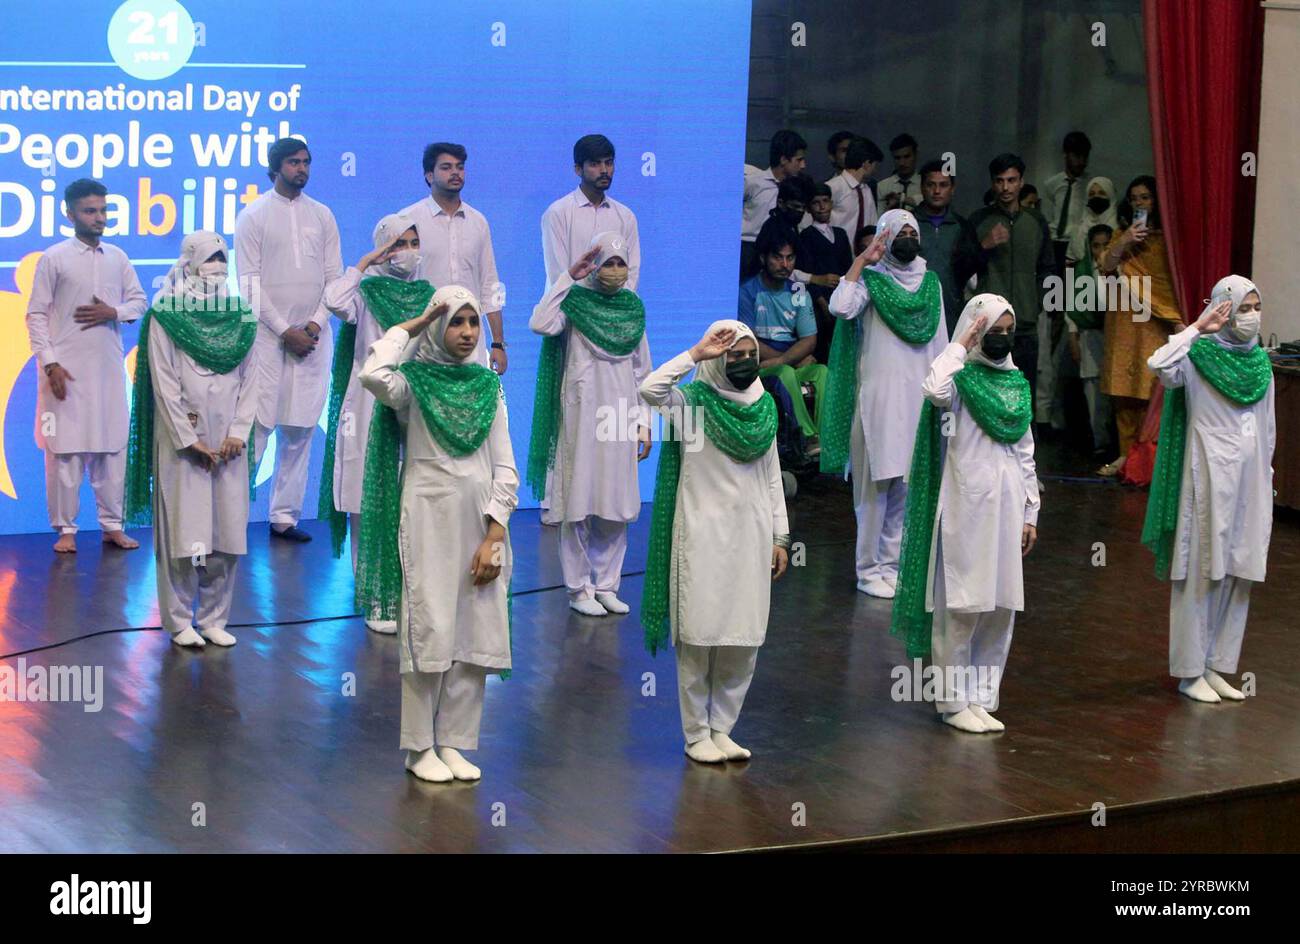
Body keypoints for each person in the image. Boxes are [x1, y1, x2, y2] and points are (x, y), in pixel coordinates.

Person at [357, 285, 516, 783]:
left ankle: (454, 742)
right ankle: (419, 746)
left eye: (474, 322)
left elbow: (505, 467)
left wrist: (495, 535)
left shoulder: (488, 386)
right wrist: (413, 325)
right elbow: (371, 373)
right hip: (426, 515)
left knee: (475, 629)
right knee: (429, 627)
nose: (469, 333)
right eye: (456, 322)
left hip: (481, 521)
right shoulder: (412, 384)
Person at [639, 321, 789, 763]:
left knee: (743, 637)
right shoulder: (693, 405)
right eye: (733, 355)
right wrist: (695, 353)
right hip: (701, 536)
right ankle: (696, 734)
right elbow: (649, 390)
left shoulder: (763, 405)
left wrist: (781, 535)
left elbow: (773, 476)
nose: (743, 362)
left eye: (749, 354)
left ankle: (723, 727)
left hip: (753, 537)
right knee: (699, 637)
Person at [891, 294, 1039, 734]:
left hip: (1009, 508)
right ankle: (953, 703)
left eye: (1009, 330)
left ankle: (981, 697)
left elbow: (1026, 452)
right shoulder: (959, 380)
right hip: (965, 508)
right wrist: (961, 345)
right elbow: (932, 389)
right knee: (961, 606)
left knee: (1000, 606)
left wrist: (1032, 510)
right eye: (993, 331)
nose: (1003, 339)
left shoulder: (1016, 382)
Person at [123, 231, 259, 648]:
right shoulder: (166, 315)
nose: (217, 268)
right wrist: (188, 438)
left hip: (230, 446)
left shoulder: (242, 315)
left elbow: (253, 381)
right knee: (185, 535)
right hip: (185, 445)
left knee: (227, 534)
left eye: (222, 260)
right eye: (209, 260)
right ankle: (180, 619)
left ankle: (216, 618)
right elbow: (163, 383)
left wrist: (239, 432)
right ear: (189, 264)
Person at [1142, 278, 1273, 704]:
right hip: (1207, 477)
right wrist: (1197, 328)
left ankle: (1218, 664)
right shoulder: (1196, 358)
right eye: (1244, 307)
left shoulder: (1260, 365)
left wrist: (1266, 477)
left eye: (1256, 305)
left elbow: (1267, 428)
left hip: (1250, 481)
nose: (1252, 314)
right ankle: (1189, 670)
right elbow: (1158, 365)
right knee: (1202, 571)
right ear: (1223, 310)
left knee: (1239, 571)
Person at [823, 209, 949, 597]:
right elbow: (840, 307)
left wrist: (944, 393)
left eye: (914, 231)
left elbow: (941, 343)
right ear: (885, 238)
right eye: (900, 232)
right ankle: (867, 570)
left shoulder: (930, 283)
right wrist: (862, 261)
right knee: (875, 488)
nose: (909, 238)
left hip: (917, 399)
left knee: (906, 487)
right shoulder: (870, 283)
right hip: (877, 400)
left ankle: (891, 566)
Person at [320, 212, 434, 634]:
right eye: (397, 244)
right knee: (366, 498)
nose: (406, 252)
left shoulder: (429, 295)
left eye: (412, 242)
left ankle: (406, 592)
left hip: (413, 403)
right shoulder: (364, 294)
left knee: (409, 499)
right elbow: (333, 298)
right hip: (367, 404)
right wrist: (365, 263)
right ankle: (372, 594)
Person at [528, 232, 652, 616]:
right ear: (595, 266)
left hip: (619, 416)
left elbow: (642, 372)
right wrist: (568, 277)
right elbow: (540, 322)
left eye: (621, 263)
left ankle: (607, 584)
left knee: (616, 501)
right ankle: (579, 589)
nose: (615, 271)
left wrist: (644, 424)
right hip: (580, 417)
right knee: (578, 503)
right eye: (608, 263)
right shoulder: (574, 303)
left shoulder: (632, 308)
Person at [25, 178, 147, 553]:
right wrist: (50, 364)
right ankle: (66, 530)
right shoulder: (55, 258)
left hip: (108, 371)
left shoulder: (117, 257)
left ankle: (113, 525)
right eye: (90, 211)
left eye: (103, 211)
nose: (99, 218)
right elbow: (35, 316)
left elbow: (140, 302)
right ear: (70, 214)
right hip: (64, 373)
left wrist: (114, 312)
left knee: (112, 449)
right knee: (65, 452)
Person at [235, 136, 344, 543]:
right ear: (276, 168)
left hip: (314, 338)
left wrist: (314, 325)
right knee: (258, 426)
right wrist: (284, 330)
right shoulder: (254, 216)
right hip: (267, 338)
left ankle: (284, 517)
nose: (303, 169)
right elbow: (248, 283)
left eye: (307, 162)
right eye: (295, 163)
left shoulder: (322, 215)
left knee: (299, 429)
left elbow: (335, 277)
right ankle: (232, 517)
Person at [1096, 175, 1184, 478]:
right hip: (1123, 322)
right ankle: (1124, 456)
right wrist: (1124, 242)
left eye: (1145, 197)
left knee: (1149, 388)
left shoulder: (1168, 240)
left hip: (1154, 324)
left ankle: (1146, 461)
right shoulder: (1122, 235)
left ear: (1156, 201)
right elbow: (1106, 266)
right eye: (1134, 198)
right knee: (1123, 391)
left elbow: (1166, 285)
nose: (1139, 203)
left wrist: (1174, 317)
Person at [400, 142, 506, 373]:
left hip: (471, 337)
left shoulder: (478, 222)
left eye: (460, 167)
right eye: (446, 167)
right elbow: (401, 288)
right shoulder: (408, 220)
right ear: (429, 176)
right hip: (424, 339)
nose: (456, 172)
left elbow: (490, 283)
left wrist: (498, 343)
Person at [968, 154, 1055, 427]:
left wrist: (1039, 302)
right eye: (999, 181)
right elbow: (959, 266)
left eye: (1011, 180)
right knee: (988, 394)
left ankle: (1023, 454)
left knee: (1023, 392)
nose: (1005, 188)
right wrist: (984, 245)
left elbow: (1049, 267)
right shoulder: (979, 220)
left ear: (1021, 182)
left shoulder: (1036, 221)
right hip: (988, 326)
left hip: (1026, 324)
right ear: (992, 184)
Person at [737, 219, 825, 457]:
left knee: (823, 373)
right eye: (778, 257)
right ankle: (808, 437)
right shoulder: (747, 291)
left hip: (785, 358)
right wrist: (789, 360)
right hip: (760, 363)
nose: (785, 264)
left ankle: (827, 437)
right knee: (785, 373)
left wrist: (785, 359)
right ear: (763, 258)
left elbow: (809, 340)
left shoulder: (798, 291)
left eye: (790, 258)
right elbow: (750, 341)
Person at [542, 133, 640, 292]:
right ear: (578, 169)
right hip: (568, 312)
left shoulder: (626, 216)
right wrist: (587, 313)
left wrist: (618, 311)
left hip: (614, 313)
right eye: (595, 164)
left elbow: (631, 274)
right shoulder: (557, 213)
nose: (604, 170)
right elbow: (558, 277)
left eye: (609, 163)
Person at [914, 158, 983, 337]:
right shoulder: (908, 224)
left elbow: (972, 272)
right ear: (922, 188)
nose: (937, 191)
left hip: (952, 311)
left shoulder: (963, 226)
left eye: (943, 185)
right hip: (912, 311)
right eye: (931, 185)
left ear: (952, 189)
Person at [1065, 224, 1115, 455]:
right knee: (1094, 394)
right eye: (1096, 246)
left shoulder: (1123, 270)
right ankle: (1100, 443)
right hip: (1090, 336)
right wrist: (1073, 339)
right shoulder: (1082, 272)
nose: (1101, 250)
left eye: (1107, 245)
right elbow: (1072, 311)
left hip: (1116, 336)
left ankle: (1119, 444)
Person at [798, 182, 854, 363]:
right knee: (822, 349)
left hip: (842, 299)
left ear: (831, 203)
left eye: (825, 201)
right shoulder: (806, 236)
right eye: (816, 202)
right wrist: (823, 304)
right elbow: (808, 274)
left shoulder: (841, 234)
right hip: (819, 304)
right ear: (808, 208)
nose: (822, 206)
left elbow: (849, 269)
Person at [741, 130, 808, 281]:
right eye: (799, 160)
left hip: (782, 252)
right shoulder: (754, 182)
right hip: (748, 250)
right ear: (784, 159)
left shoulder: (797, 188)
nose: (803, 165)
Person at [1041, 131, 1092, 275]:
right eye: (1077, 156)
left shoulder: (1091, 185)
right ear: (1066, 154)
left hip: (1078, 245)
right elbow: (1046, 219)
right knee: (1053, 291)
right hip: (1054, 245)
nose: (1081, 162)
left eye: (1085, 157)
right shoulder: (1052, 184)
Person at [828, 137, 879, 242]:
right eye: (875, 165)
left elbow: (873, 225)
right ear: (866, 163)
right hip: (836, 253)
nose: (875, 170)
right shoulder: (833, 187)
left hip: (863, 255)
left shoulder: (867, 191)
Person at [877, 133, 921, 212]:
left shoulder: (925, 185)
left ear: (916, 155)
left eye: (907, 157)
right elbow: (879, 220)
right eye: (897, 158)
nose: (902, 163)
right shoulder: (882, 187)